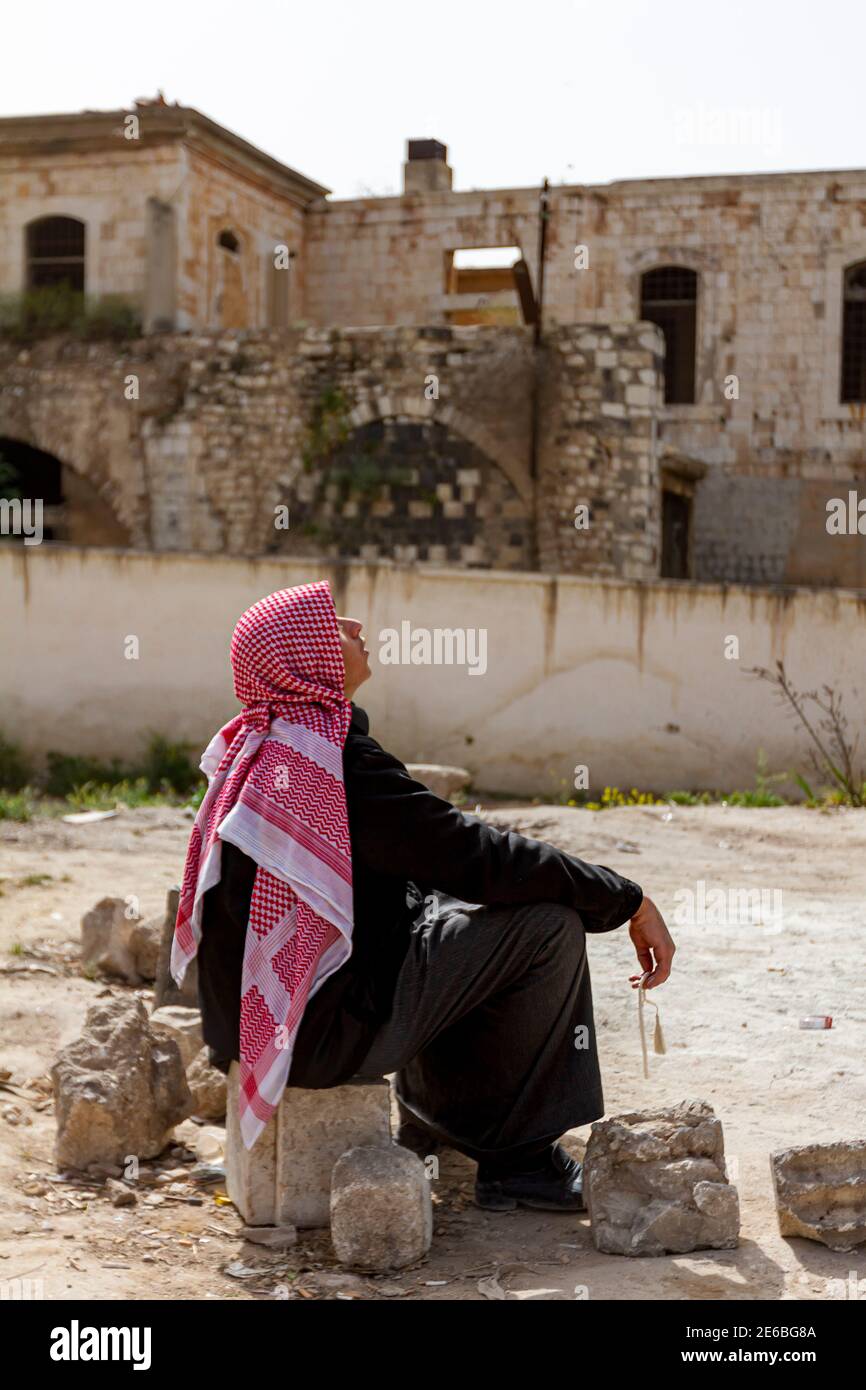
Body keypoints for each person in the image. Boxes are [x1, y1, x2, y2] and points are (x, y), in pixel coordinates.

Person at [173, 579, 675, 1213]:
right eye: (334, 623)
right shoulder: (328, 764)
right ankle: (518, 1164)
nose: (355, 627)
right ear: (307, 658)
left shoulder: (262, 748)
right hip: (314, 1039)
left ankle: (438, 1118)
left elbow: (445, 859)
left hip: (271, 1029)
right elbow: (476, 854)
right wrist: (627, 901)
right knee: (544, 926)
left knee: (449, 909)